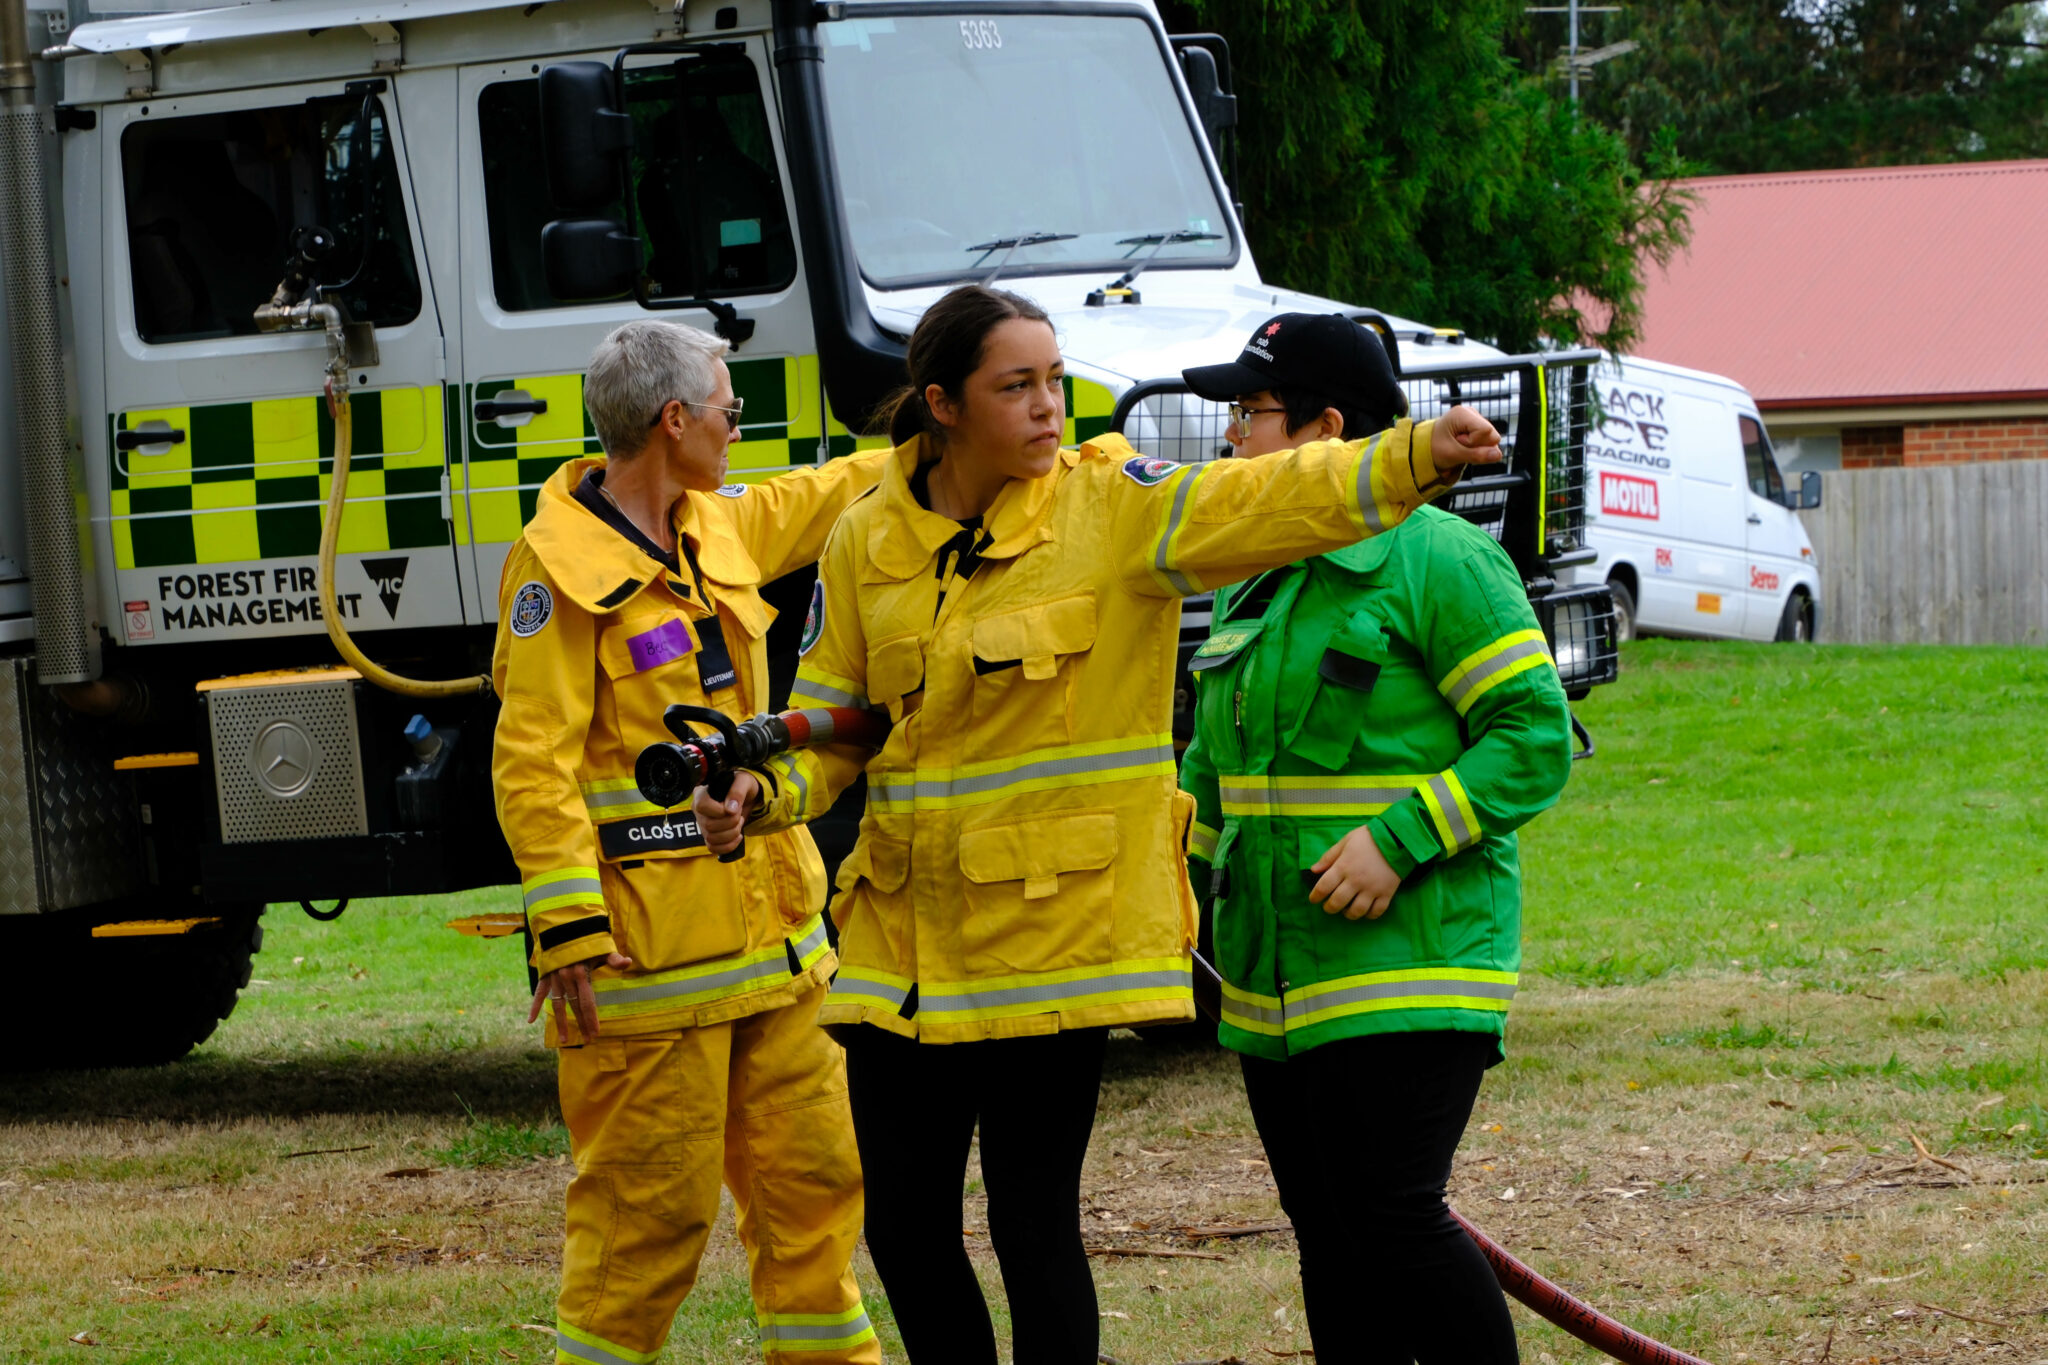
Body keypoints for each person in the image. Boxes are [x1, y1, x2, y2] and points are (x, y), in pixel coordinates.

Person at [693, 285, 1505, 1364]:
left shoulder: (1113, 509)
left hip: (1048, 950)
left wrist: (1409, 456)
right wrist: (766, 792)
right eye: (1014, 386)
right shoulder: (863, 540)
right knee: (902, 1230)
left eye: (1051, 381)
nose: (1046, 408)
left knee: (1034, 1233)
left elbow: (1265, 497)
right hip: (900, 955)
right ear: (941, 404)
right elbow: (839, 722)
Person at [1176, 313, 1576, 1365]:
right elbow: (1214, 770)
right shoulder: (1257, 573)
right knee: (1329, 1236)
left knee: (1391, 1217)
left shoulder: (1440, 561)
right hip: (1272, 981)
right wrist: (1183, 888)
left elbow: (1533, 739)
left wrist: (1397, 842)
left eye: (1249, 416)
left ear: (1326, 429)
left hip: (1408, 963)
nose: (1231, 440)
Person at [491, 320, 889, 1365]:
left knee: (816, 1197)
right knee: (642, 1229)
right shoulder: (556, 570)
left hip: (778, 951)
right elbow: (532, 761)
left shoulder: (719, 525)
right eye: (727, 409)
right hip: (647, 968)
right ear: (675, 421)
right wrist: (568, 929)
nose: (735, 427)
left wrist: (961, 432)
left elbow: (840, 484)